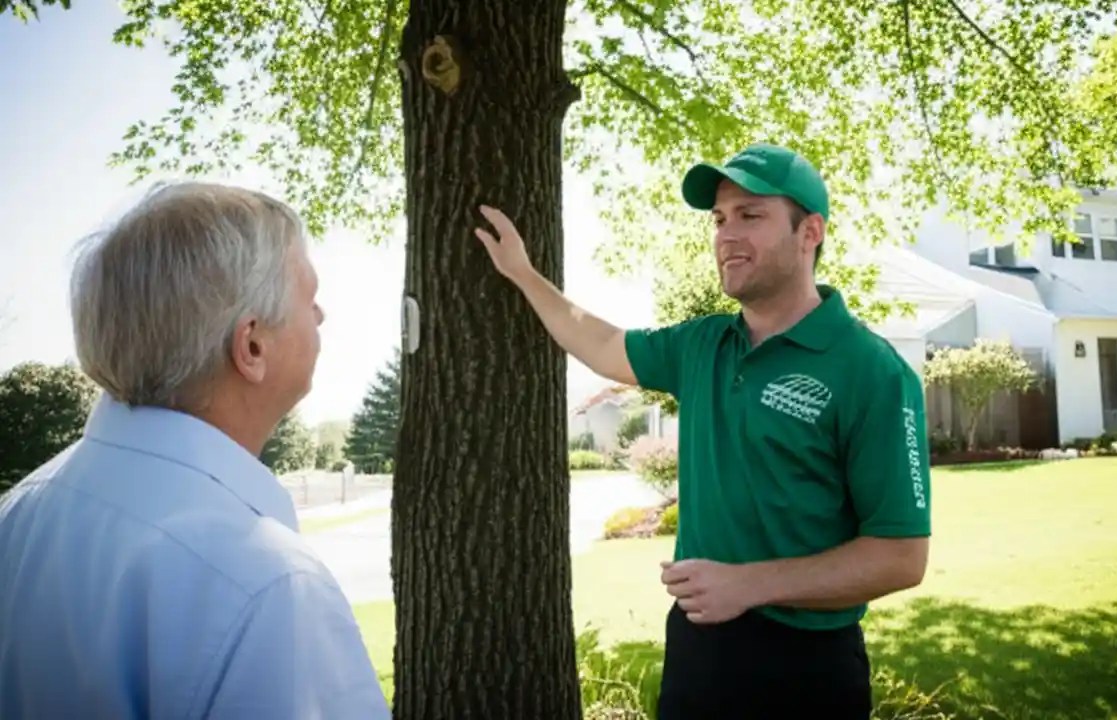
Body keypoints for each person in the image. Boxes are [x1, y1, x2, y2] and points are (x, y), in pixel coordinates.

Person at [474, 142, 932, 719]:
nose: (726, 235)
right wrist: (522, 274)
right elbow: (600, 342)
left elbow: (901, 557)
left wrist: (747, 585)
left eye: (750, 215)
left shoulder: (872, 371)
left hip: (809, 670)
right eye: (719, 219)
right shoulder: (702, 345)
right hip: (699, 651)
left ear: (809, 232)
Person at [0, 182, 390, 719]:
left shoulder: (20, 511)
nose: (320, 315)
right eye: (308, 295)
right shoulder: (266, 583)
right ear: (252, 346)